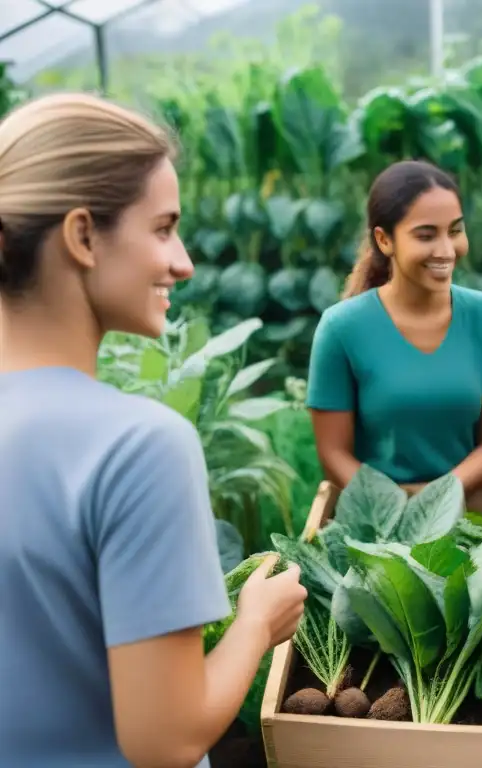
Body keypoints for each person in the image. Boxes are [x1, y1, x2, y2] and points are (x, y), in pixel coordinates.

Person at [0, 93, 308, 768]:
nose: (185, 263)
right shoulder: (137, 445)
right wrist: (256, 623)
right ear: (82, 236)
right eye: (163, 228)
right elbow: (165, 739)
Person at [306, 160, 482, 494]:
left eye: (455, 230)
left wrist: (438, 500)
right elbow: (333, 453)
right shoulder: (341, 328)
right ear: (384, 240)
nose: (446, 250)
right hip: (374, 521)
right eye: (426, 235)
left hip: (463, 510)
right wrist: (391, 505)